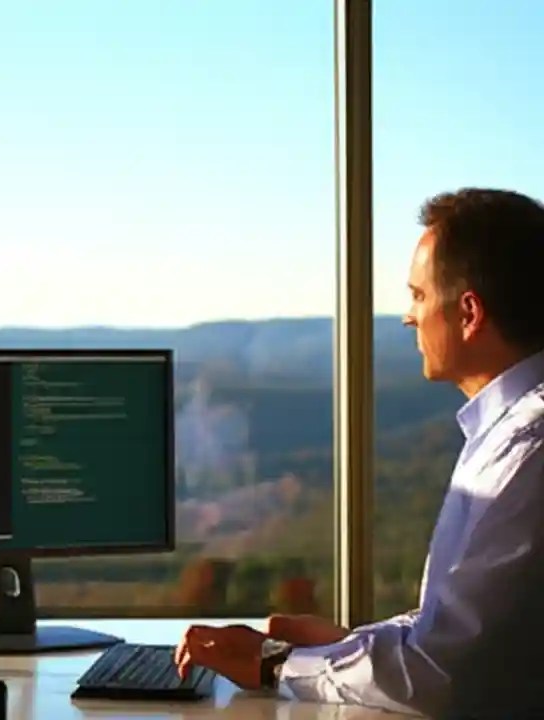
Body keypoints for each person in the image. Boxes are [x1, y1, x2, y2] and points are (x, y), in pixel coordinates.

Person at [173, 188, 544, 717]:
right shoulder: (507, 433)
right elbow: (453, 631)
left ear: (468, 313)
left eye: (418, 296)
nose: (408, 318)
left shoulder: (526, 451)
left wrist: (274, 663)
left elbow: (443, 676)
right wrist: (337, 646)